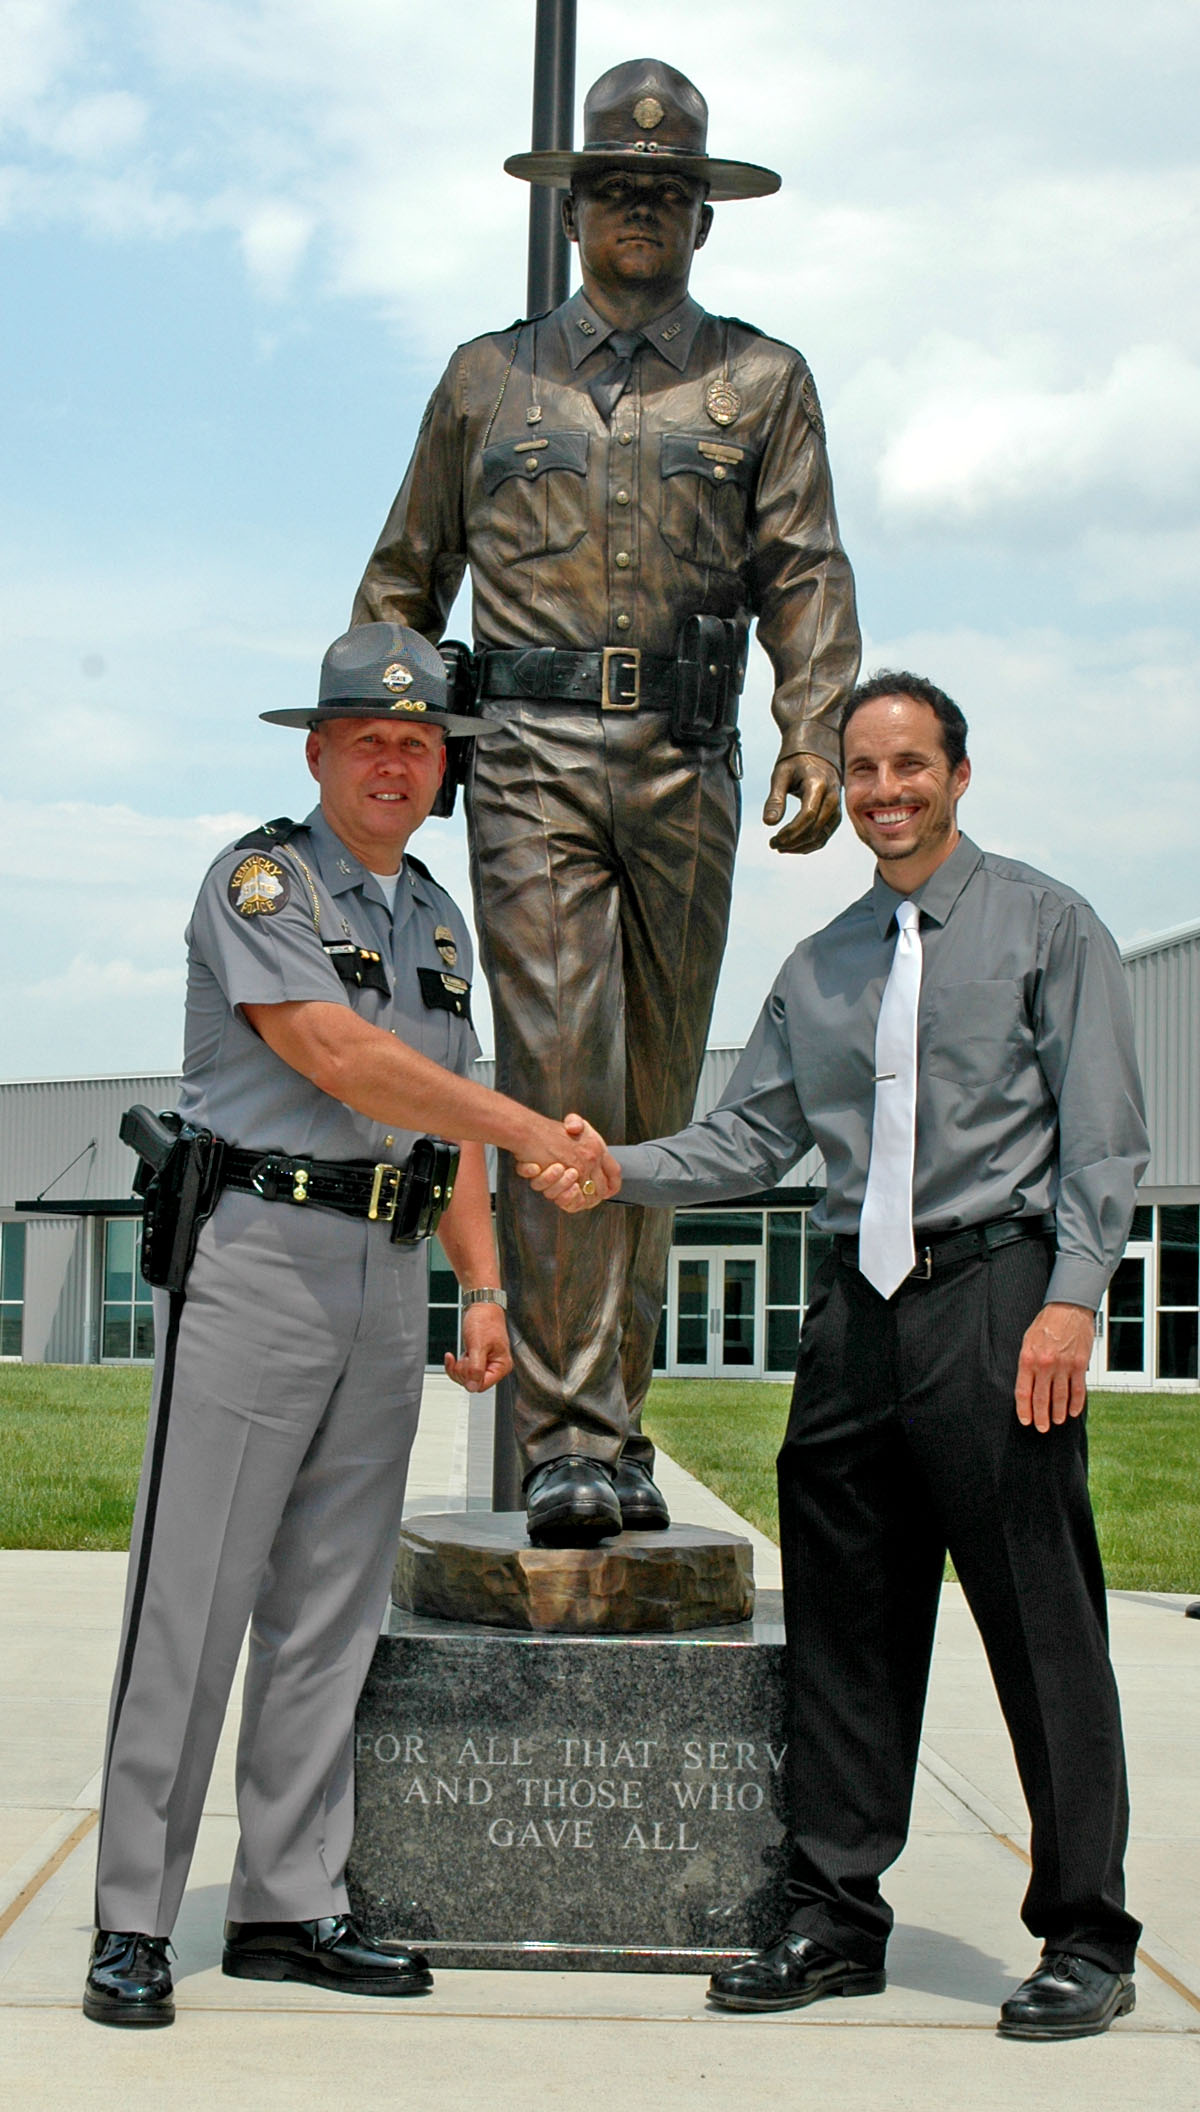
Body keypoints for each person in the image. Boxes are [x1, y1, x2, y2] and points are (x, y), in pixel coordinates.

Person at [526, 672, 1148, 2041]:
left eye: (909, 766)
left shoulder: (1050, 926)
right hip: (852, 1328)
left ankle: (1089, 1933)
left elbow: (1103, 1133)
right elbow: (749, 1139)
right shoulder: (821, 966)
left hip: (997, 1298)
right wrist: (611, 1168)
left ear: (959, 775)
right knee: (845, 1634)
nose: (883, 792)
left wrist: (1073, 1298)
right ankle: (834, 1915)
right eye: (863, 771)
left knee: (1043, 1628)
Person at [352, 57, 860, 1547]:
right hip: (528, 762)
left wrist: (815, 726)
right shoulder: (485, 378)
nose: (643, 208)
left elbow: (806, 571)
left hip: (687, 764)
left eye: (669, 190)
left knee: (648, 1112)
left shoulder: (761, 381)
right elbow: (401, 577)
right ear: (576, 210)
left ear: (705, 215)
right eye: (617, 188)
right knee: (560, 1069)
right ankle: (567, 1436)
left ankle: (614, 1425)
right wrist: (403, 747)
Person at [84, 623, 614, 2030]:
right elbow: (339, 1055)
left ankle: (286, 1901)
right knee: (192, 1602)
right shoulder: (259, 881)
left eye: (419, 742)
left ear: (443, 769)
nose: (393, 759)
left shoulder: (435, 919)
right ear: (317, 752)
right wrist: (526, 1129)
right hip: (256, 1260)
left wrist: (483, 1283)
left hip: (386, 1277)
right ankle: (134, 1914)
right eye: (368, 738)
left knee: (331, 1608)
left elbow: (443, 1128)